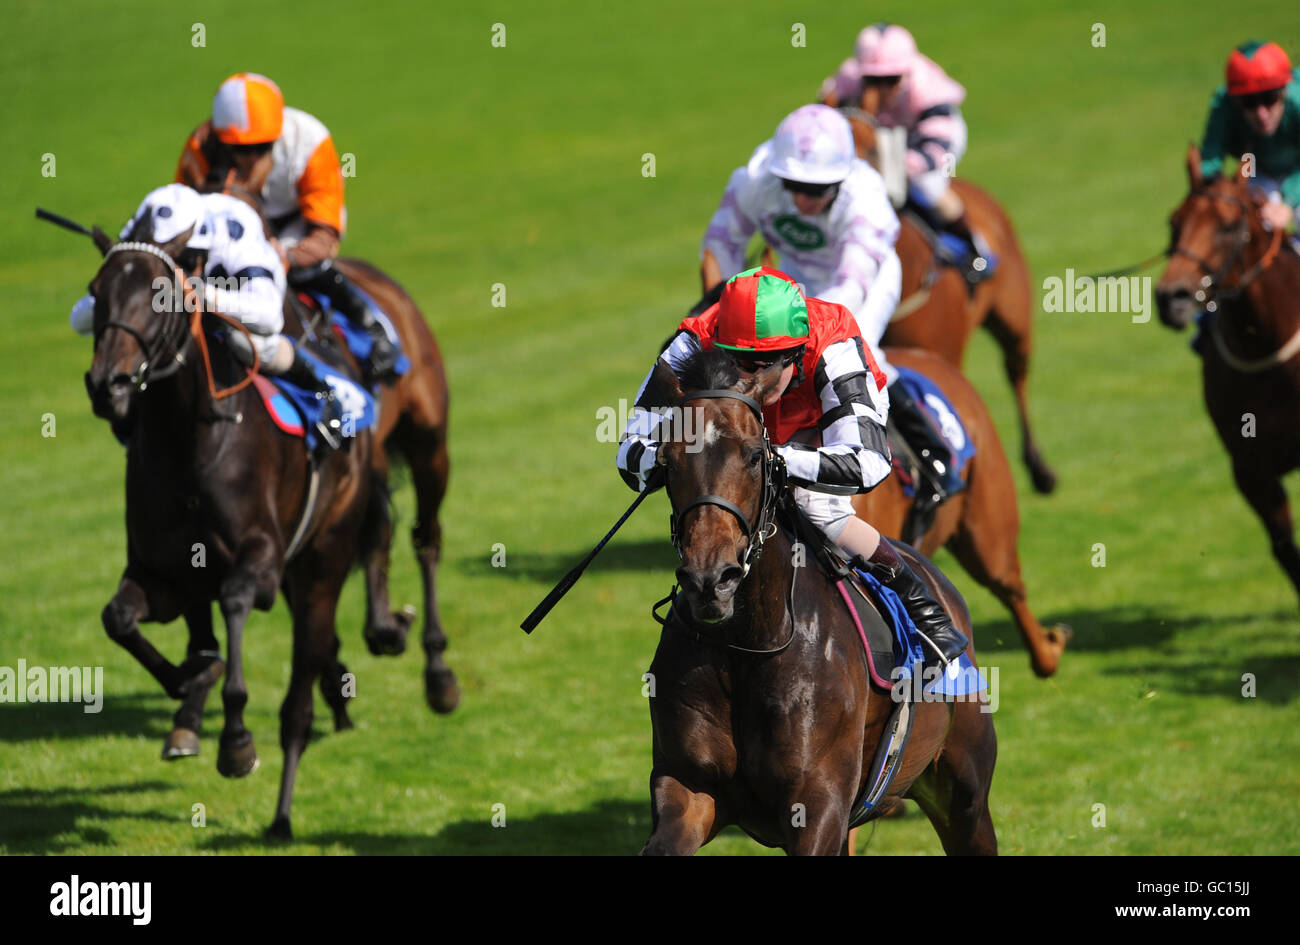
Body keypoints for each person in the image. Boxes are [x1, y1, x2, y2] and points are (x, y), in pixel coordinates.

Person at [617, 266, 968, 673]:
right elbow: (629, 450)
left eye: (765, 365)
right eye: (739, 363)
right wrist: (670, 458)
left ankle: (921, 606)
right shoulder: (692, 343)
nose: (751, 379)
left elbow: (870, 463)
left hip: (815, 424)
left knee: (818, 506)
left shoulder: (833, 346)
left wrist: (775, 459)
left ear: (797, 353)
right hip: (735, 430)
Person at [701, 103, 963, 506]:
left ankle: (932, 457)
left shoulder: (867, 200)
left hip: (864, 281)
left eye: (818, 189)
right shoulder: (755, 180)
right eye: (794, 186)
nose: (804, 198)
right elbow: (722, 243)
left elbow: (850, 285)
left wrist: (807, 340)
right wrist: (725, 300)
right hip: (790, 282)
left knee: (858, 354)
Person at [70, 184, 346, 449]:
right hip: (185, 292)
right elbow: (78, 321)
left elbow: (268, 317)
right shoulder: (141, 237)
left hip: (238, 288)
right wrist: (121, 299)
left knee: (242, 341)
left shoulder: (234, 234)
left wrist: (198, 293)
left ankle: (317, 388)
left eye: (183, 259)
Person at [174, 72, 399, 381]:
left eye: (262, 147)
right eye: (240, 149)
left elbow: (325, 235)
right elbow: (183, 214)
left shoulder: (310, 142)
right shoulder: (201, 148)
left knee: (310, 271)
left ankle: (374, 327)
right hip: (235, 228)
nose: (252, 159)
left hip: (296, 225)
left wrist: (287, 257)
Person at [820, 23, 995, 283]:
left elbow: (939, 142)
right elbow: (823, 115)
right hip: (883, 140)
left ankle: (976, 250)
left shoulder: (927, 87)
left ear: (906, 73)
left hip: (928, 141)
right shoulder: (847, 79)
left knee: (927, 186)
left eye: (891, 79)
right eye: (873, 80)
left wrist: (907, 165)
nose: (882, 88)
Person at [1200, 41, 1300, 240]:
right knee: (1250, 229)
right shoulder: (1224, 106)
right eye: (1250, 103)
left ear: (1284, 91)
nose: (1261, 113)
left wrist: (1288, 202)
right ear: (1236, 101)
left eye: (1270, 98)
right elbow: (1209, 161)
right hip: (1255, 165)